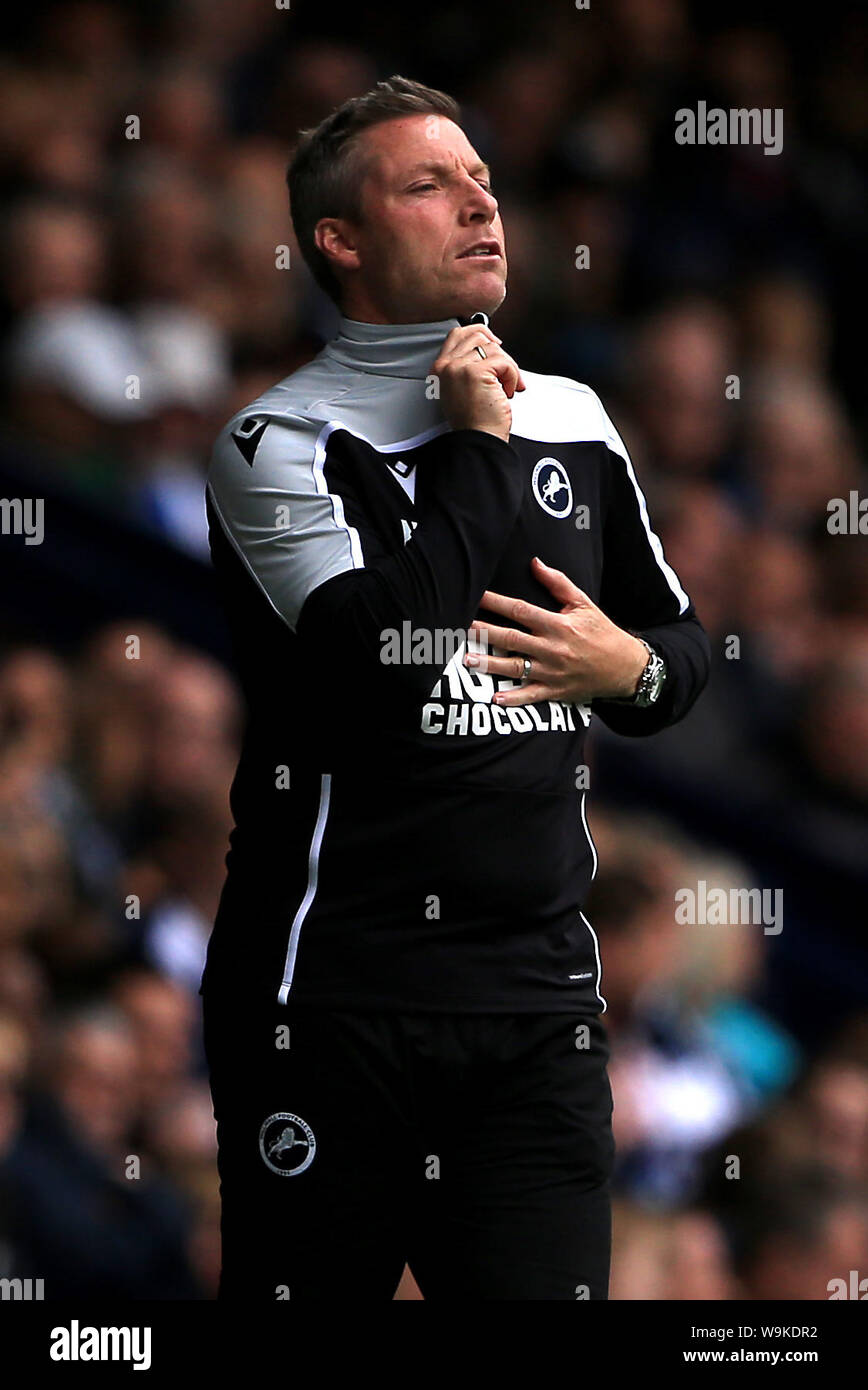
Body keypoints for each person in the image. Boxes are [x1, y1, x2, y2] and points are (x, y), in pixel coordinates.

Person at [200, 75, 710, 1300]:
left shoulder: (574, 419)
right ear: (342, 239)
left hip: (535, 1008)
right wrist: (478, 446)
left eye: (481, 178)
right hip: (329, 1000)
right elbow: (381, 651)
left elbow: (683, 648)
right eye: (429, 184)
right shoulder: (278, 443)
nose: (479, 201)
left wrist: (624, 669)